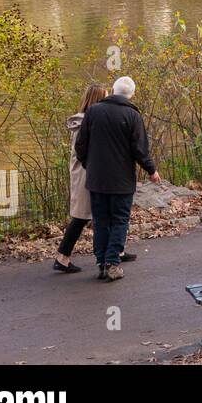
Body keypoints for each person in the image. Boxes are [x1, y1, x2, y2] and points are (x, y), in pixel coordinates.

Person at [74, 76, 159, 281]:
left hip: (97, 179)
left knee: (101, 221)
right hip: (121, 181)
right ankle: (112, 262)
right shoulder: (132, 115)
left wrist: (88, 165)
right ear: (131, 94)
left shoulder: (93, 112)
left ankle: (102, 262)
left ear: (112, 90)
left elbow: (80, 146)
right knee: (120, 221)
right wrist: (151, 170)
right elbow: (140, 150)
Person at [54, 83, 138, 274]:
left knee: (100, 215)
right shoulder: (87, 121)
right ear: (98, 100)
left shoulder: (87, 119)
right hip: (87, 174)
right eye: (106, 97)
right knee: (82, 217)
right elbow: (83, 151)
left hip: (90, 173)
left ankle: (115, 252)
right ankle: (63, 256)